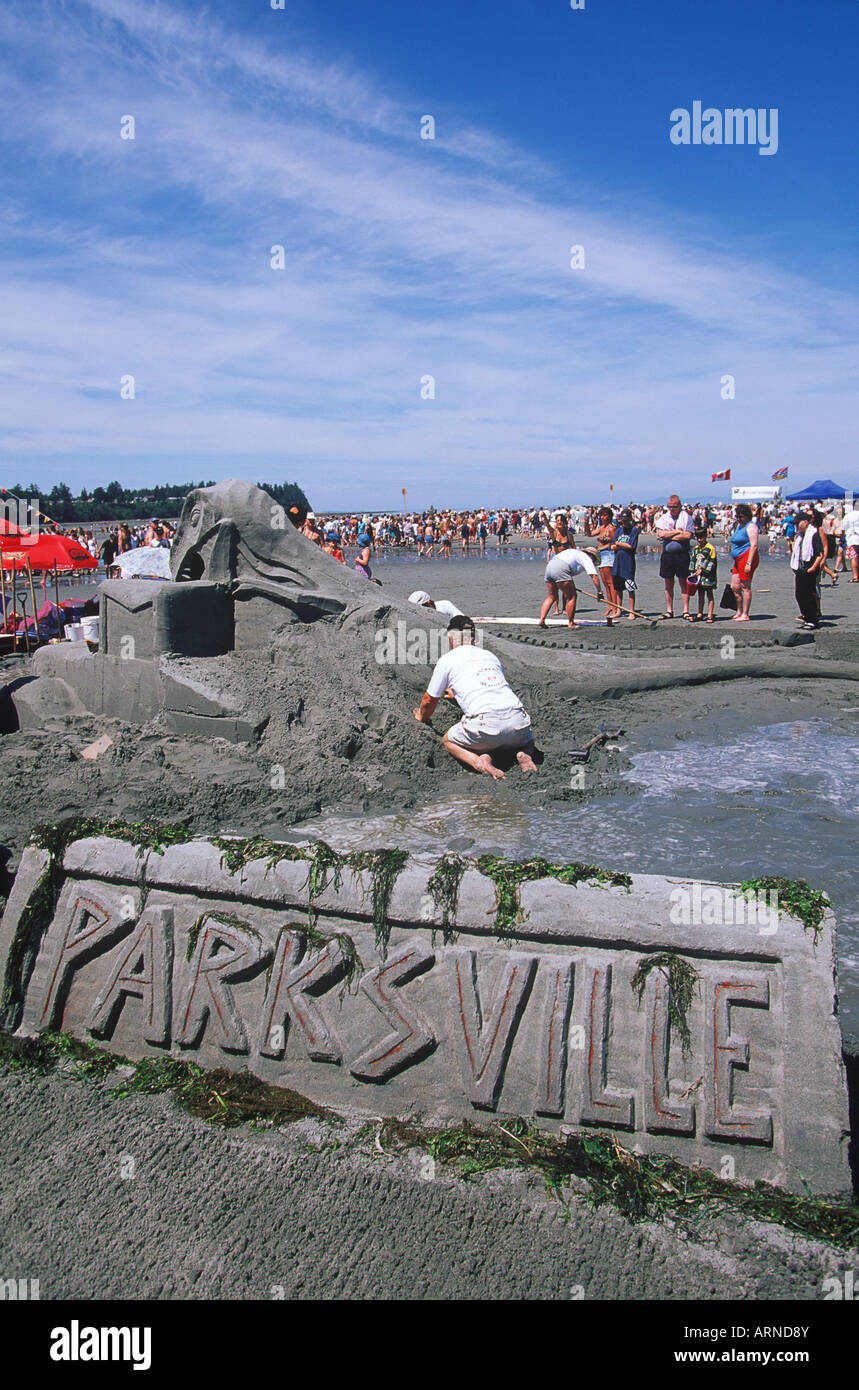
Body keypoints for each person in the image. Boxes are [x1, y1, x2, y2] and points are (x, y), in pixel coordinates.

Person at [413, 616, 539, 782]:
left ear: (451, 639)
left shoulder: (447, 660)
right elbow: (489, 690)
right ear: (473, 638)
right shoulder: (490, 656)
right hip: (518, 720)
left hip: (486, 726)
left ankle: (479, 761)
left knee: (448, 740)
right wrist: (458, 696)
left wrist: (422, 717)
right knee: (528, 739)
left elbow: (429, 700)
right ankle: (526, 754)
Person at [538, 546, 605, 628]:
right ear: (591, 556)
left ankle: (542, 619)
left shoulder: (573, 552)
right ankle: (571, 623)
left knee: (551, 596)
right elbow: (594, 576)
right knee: (572, 597)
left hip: (550, 567)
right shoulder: (586, 558)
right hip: (561, 568)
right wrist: (599, 592)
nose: (593, 562)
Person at [654, 495, 695, 620]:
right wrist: (677, 532)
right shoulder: (664, 517)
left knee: (683, 582)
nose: (672, 509)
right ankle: (669, 610)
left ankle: (685, 610)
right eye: (670, 507)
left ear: (679, 506)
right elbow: (660, 534)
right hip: (667, 555)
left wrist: (669, 534)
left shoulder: (686, 517)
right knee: (668, 583)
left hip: (682, 554)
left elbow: (688, 535)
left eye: (674, 507)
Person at [790, 513, 824, 629]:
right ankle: (807, 617)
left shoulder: (813, 534)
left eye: (798, 523)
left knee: (807, 594)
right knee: (799, 594)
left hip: (809, 567)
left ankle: (812, 619)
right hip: (800, 567)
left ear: (805, 522)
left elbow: (819, 554)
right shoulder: (800, 535)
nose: (796, 526)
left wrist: (813, 568)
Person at [729, 503, 759, 622]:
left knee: (745, 586)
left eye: (741, 517)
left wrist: (748, 563)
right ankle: (739, 611)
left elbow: (754, 546)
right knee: (735, 587)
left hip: (747, 557)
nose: (739, 519)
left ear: (747, 516)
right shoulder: (739, 526)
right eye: (737, 516)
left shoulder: (751, 526)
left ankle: (745, 614)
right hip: (737, 559)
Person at [611, 508, 639, 620]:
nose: (624, 522)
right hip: (617, 562)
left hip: (628, 562)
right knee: (618, 588)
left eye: (626, 520)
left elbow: (631, 546)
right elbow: (612, 546)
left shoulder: (633, 530)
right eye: (623, 520)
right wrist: (619, 544)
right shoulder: (618, 531)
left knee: (630, 587)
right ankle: (619, 609)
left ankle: (632, 611)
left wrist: (618, 543)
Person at [690, 526, 718, 623]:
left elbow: (712, 562)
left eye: (701, 537)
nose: (699, 540)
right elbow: (692, 561)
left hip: (708, 576)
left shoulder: (710, 548)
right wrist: (692, 572)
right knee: (700, 594)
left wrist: (703, 570)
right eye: (697, 538)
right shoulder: (696, 549)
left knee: (709, 594)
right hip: (698, 577)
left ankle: (710, 615)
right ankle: (700, 613)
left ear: (706, 536)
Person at [842, 500, 859, 582]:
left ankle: (855, 576)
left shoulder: (849, 515)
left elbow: (843, 527)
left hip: (852, 538)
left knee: (854, 557)